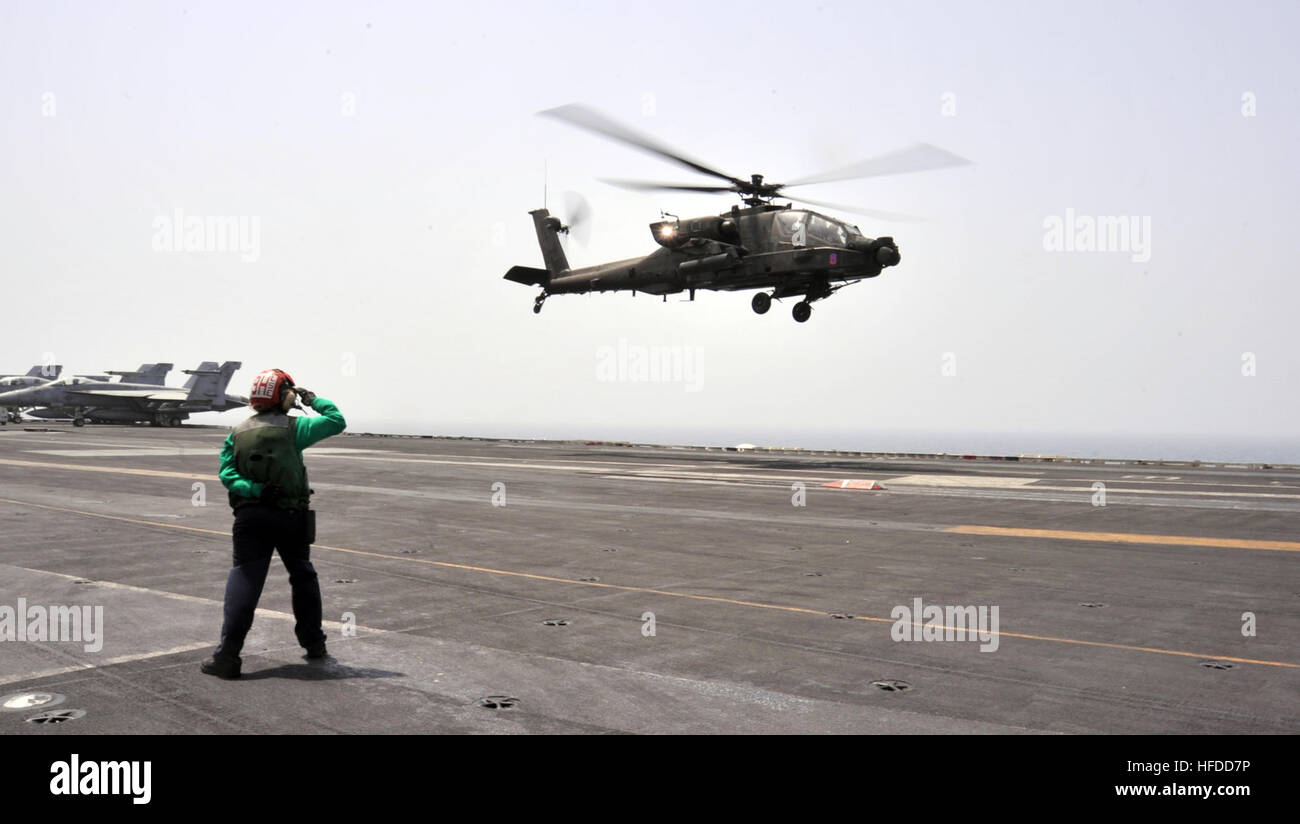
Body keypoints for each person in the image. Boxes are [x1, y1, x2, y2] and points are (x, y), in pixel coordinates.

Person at [201, 368, 346, 679]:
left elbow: (227, 475)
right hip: (290, 517)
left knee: (245, 581)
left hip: (250, 519)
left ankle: (227, 657)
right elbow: (337, 421)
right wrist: (314, 399)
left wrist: (255, 490)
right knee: (303, 577)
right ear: (285, 395)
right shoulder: (296, 428)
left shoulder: (236, 432)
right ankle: (314, 644)